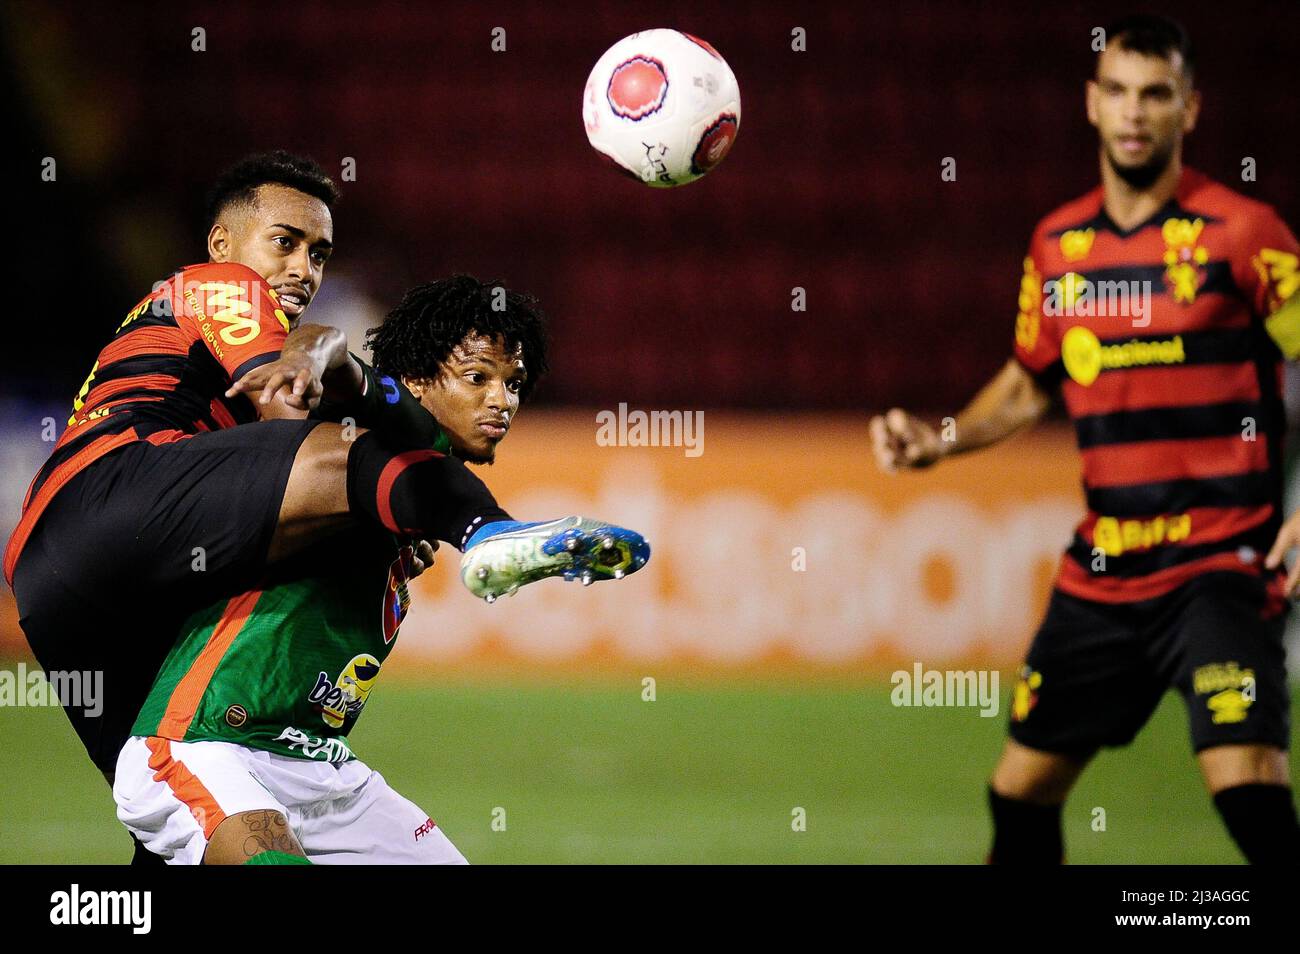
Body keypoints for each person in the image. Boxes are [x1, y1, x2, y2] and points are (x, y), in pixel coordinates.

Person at [6, 151, 649, 786]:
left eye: (318, 254)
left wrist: (385, 507)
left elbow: (343, 419)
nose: (302, 269)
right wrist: (377, 502)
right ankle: (487, 531)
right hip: (109, 491)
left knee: (174, 780)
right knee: (348, 451)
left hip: (64, 588)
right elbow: (283, 408)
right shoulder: (221, 285)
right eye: (285, 242)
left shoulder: (259, 326)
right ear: (221, 242)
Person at [869, 15, 1300, 863]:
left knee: (1245, 782)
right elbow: (1032, 378)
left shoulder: (1245, 235)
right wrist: (940, 439)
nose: (1135, 112)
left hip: (1220, 566)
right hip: (1104, 574)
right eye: (1119, 92)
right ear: (1091, 105)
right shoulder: (1058, 248)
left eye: (1156, 94)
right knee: (1019, 791)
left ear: (1190, 110)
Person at [116, 275, 557, 864]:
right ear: (417, 383)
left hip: (320, 769)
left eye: (513, 383)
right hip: (205, 742)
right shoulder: (359, 446)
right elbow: (333, 351)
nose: (501, 400)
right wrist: (302, 354)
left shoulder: (415, 496)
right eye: (478, 378)